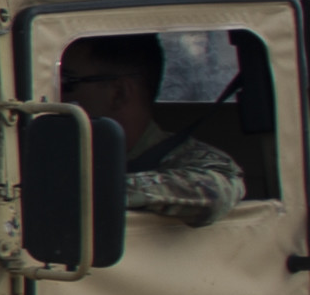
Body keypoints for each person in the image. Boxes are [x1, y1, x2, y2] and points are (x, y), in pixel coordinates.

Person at [57, 35, 242, 225]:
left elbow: (217, 189)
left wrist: (85, 192)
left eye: (67, 82)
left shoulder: (187, 158)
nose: (58, 96)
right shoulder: (58, 152)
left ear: (118, 93)